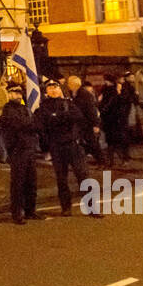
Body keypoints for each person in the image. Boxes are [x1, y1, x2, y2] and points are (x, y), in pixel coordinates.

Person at [39, 79, 98, 216]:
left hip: (73, 145)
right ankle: (66, 208)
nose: (53, 90)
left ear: (60, 89)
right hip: (56, 146)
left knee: (83, 176)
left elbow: (78, 117)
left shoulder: (69, 103)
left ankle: (91, 207)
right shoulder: (43, 107)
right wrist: (62, 117)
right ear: (46, 91)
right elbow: (44, 123)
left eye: (55, 87)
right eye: (50, 88)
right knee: (61, 179)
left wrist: (57, 117)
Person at [0, 82, 41, 224]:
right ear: (9, 94)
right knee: (18, 183)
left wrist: (30, 124)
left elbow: (35, 124)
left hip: (29, 147)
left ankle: (30, 210)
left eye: (19, 93)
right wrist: (30, 124)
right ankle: (17, 213)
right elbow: (19, 124)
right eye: (15, 92)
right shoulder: (8, 109)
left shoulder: (24, 108)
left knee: (31, 181)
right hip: (17, 149)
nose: (18, 95)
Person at [67, 75, 105, 166]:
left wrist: (96, 124)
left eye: (69, 83)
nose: (68, 85)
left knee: (92, 143)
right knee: (85, 142)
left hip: (88, 123)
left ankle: (102, 162)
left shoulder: (85, 95)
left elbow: (91, 110)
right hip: (80, 123)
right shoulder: (74, 93)